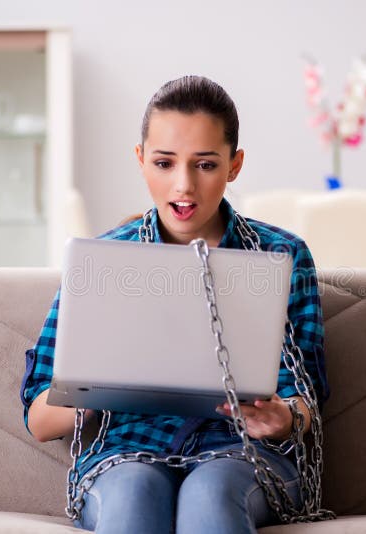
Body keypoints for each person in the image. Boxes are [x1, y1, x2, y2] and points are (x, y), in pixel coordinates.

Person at [20, 75, 329, 534]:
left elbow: (309, 397)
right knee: (132, 496)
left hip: (242, 454)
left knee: (209, 493)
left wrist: (285, 418)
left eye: (205, 165)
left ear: (234, 165)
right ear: (141, 159)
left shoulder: (283, 256)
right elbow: (40, 418)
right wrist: (98, 387)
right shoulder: (100, 261)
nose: (183, 185)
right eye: (164, 163)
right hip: (126, 452)